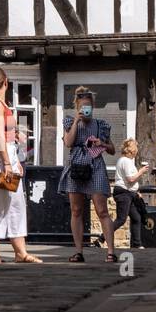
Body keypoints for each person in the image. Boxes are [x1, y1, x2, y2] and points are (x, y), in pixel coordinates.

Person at [0, 66, 41, 263]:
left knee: (15, 204)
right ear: (6, 82)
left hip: (4, 156)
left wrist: (14, 160)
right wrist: (6, 162)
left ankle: (20, 253)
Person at [59, 87, 117, 262]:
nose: (85, 110)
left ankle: (111, 252)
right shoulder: (70, 122)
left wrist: (103, 144)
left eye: (88, 107)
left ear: (93, 106)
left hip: (96, 167)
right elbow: (68, 143)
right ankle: (79, 252)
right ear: (77, 106)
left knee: (102, 210)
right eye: (82, 107)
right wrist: (76, 121)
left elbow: (113, 150)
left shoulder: (101, 125)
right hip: (76, 166)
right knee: (76, 210)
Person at [110, 138, 151, 250]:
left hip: (129, 193)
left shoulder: (125, 161)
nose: (136, 152)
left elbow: (130, 181)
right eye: (136, 149)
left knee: (136, 217)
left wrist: (136, 191)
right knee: (121, 219)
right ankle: (103, 237)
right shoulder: (126, 161)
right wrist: (141, 171)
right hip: (124, 193)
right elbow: (130, 179)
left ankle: (137, 244)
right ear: (132, 150)